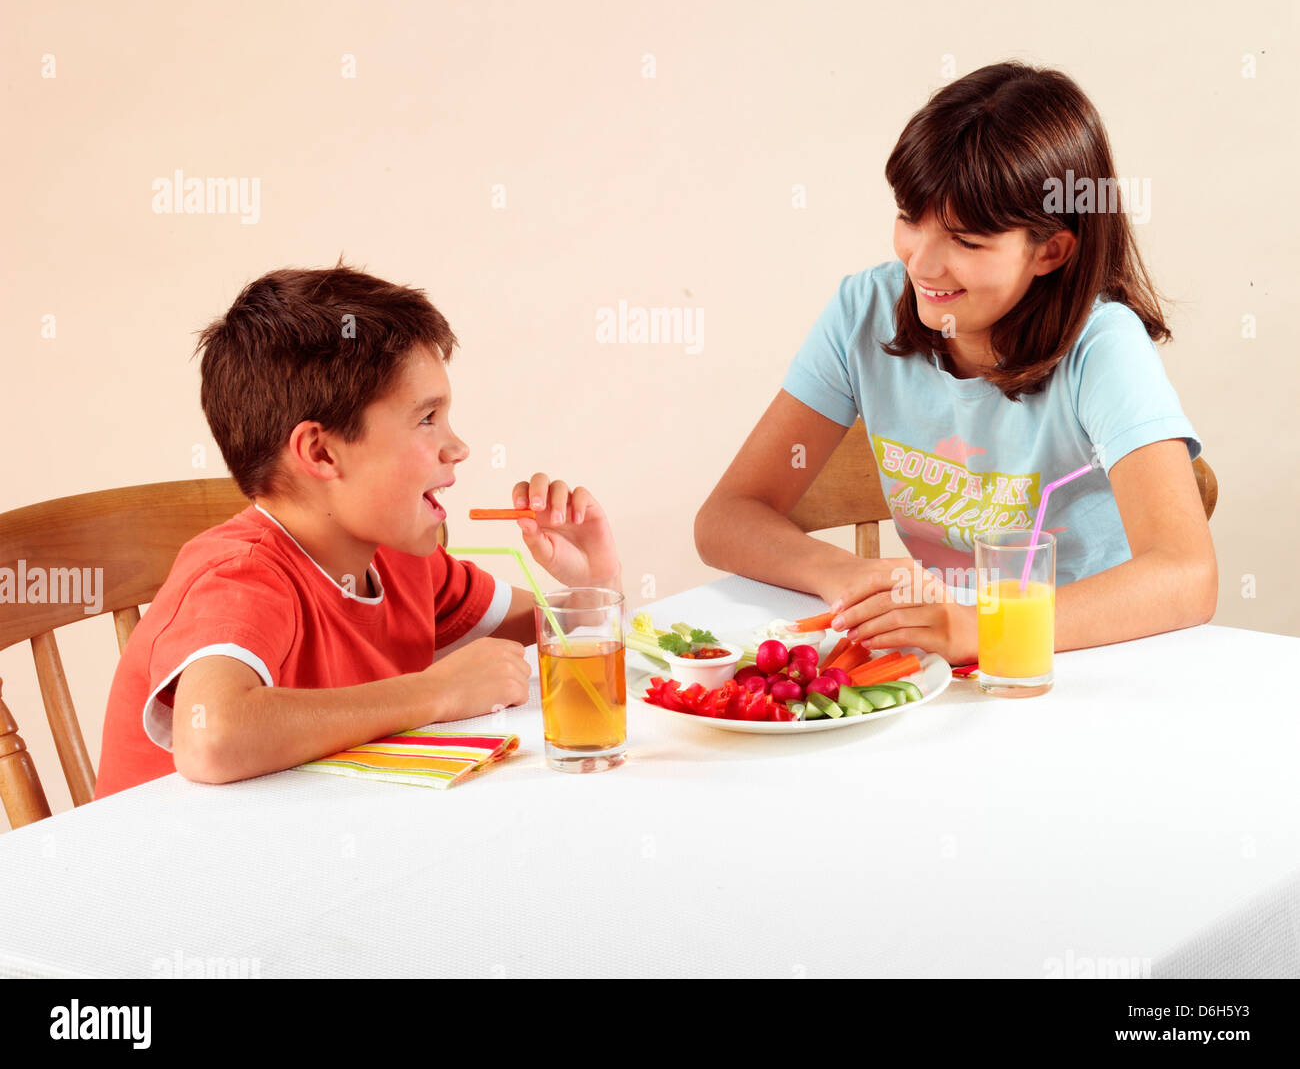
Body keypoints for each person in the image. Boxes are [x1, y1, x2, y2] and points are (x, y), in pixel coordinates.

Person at [695, 61, 1216, 665]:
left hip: (1089, 663)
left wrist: (980, 627)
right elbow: (726, 516)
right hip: (950, 673)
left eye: (966, 242)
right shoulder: (862, 312)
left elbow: (1187, 575)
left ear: (1050, 249)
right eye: (910, 218)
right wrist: (845, 574)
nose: (922, 263)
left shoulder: (1103, 346)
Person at [95, 264, 619, 796]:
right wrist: (436, 692)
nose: (457, 447)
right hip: (183, 866)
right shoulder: (241, 576)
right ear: (321, 452)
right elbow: (214, 736)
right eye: (426, 418)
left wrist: (592, 583)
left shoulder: (399, 559)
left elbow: (553, 629)